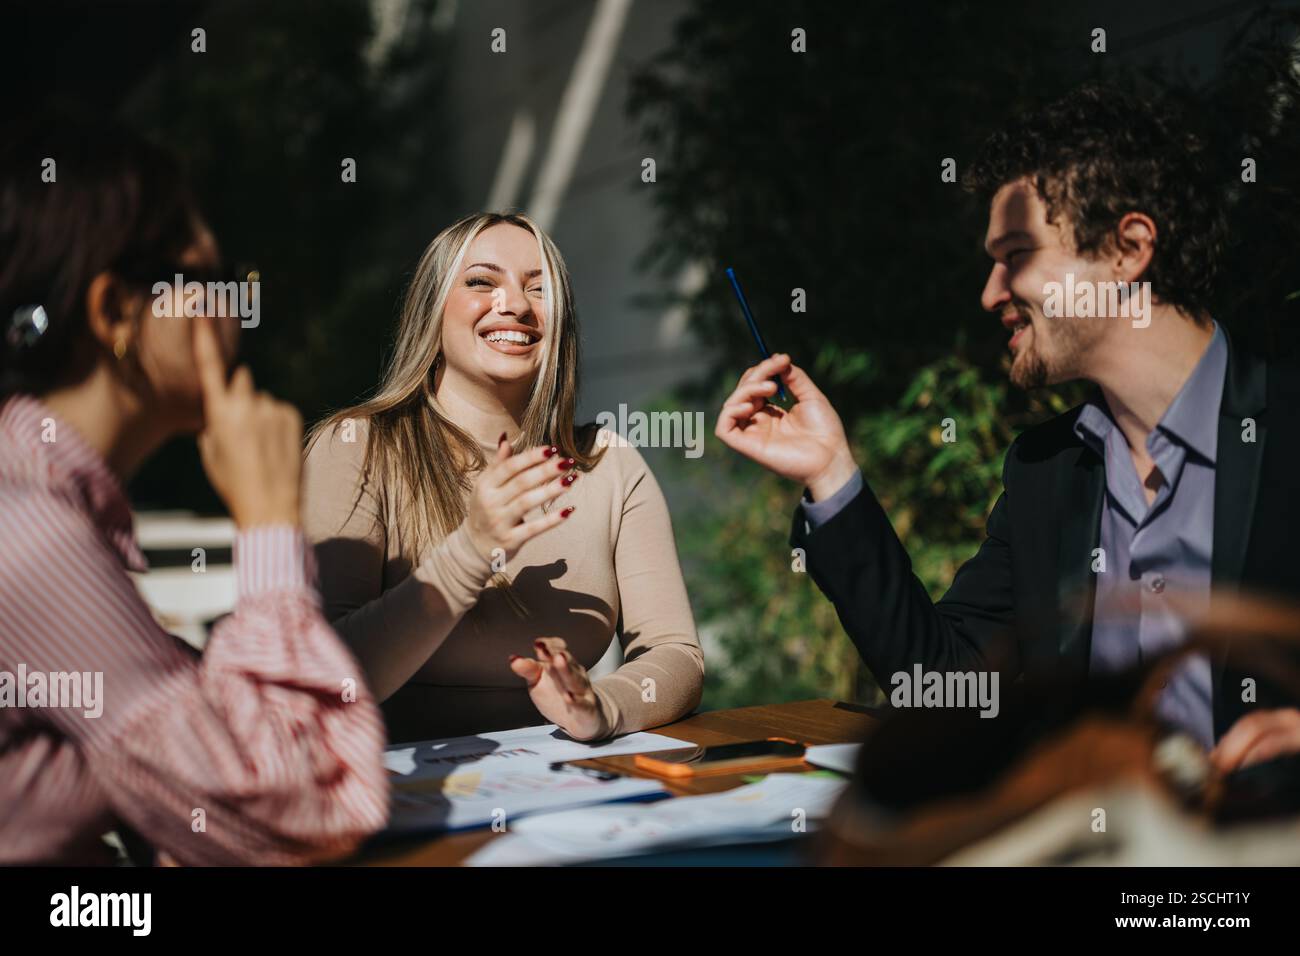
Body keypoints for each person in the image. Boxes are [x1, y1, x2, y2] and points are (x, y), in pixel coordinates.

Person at [715, 84, 1300, 772]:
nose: (991, 293)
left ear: (1128, 249)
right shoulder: (1047, 471)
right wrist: (830, 474)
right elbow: (946, 689)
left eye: (1015, 254)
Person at [0, 116, 388, 864]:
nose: (239, 314)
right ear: (115, 312)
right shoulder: (30, 534)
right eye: (211, 283)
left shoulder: (45, 499)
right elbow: (305, 813)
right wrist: (270, 525)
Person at [302, 213, 704, 743]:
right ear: (432, 309)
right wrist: (469, 553)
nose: (515, 304)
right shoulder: (355, 447)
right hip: (397, 798)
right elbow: (323, 676)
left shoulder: (610, 462)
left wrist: (601, 707)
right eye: (481, 282)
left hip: (562, 791)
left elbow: (675, 652)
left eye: (539, 289)